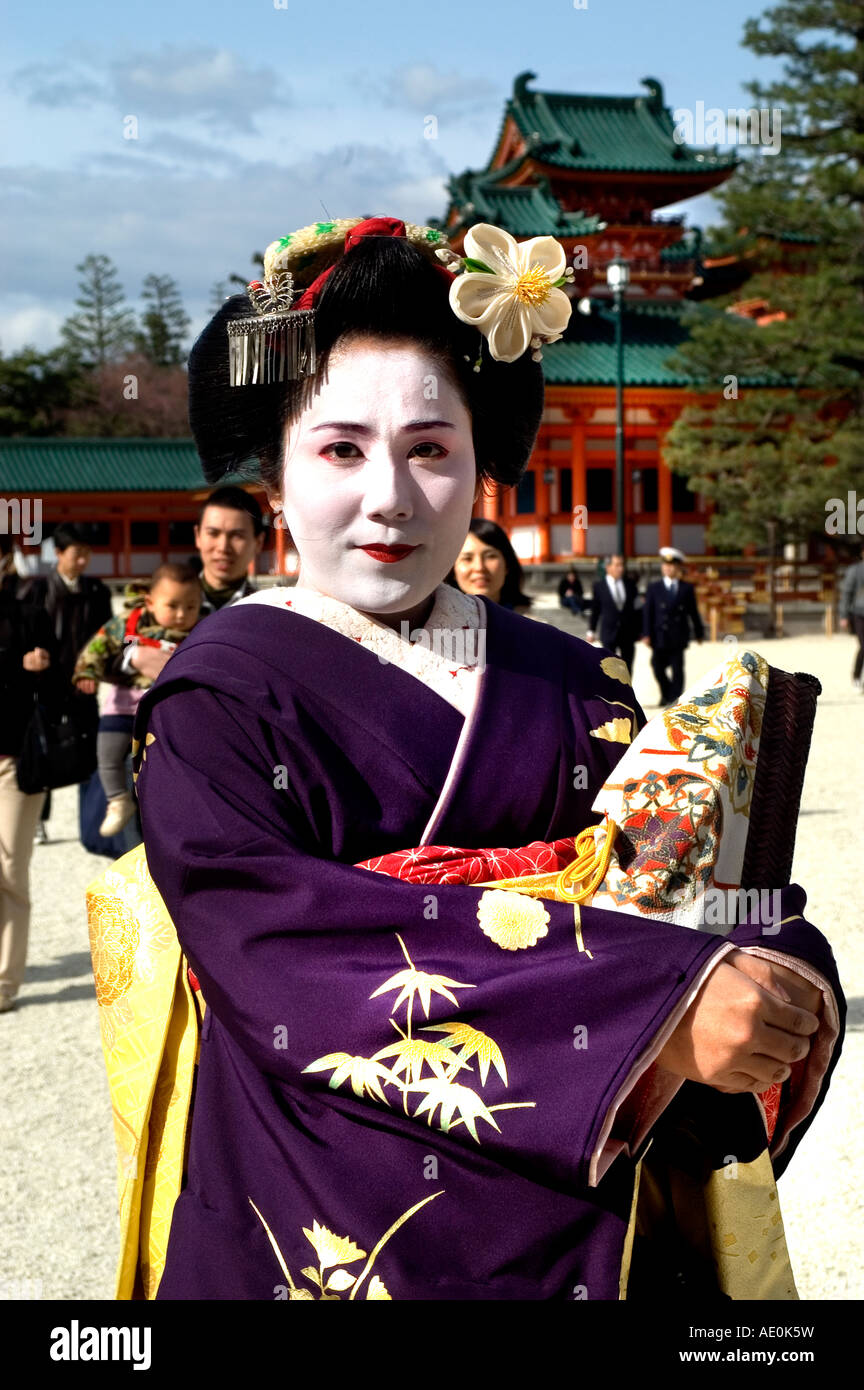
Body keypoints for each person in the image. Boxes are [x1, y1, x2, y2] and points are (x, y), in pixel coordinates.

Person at [108, 216, 838, 1301]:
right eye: (342, 448)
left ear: (483, 471)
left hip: (584, 1212)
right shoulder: (224, 695)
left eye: (432, 448)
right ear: (275, 484)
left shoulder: (576, 684)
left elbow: (677, 876)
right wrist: (659, 1013)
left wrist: (776, 962)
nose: (391, 495)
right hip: (316, 1184)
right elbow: (275, 945)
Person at [72, 563, 201, 837]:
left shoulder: (200, 630)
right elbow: (99, 645)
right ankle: (117, 800)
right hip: (122, 705)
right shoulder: (128, 622)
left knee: (163, 766)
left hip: (163, 710)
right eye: (173, 606)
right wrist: (86, 670)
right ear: (151, 602)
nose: (182, 615)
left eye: (191, 607)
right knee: (107, 751)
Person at [16, 523, 113, 839]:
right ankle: (39, 819)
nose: (83, 561)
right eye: (77, 554)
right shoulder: (34, 591)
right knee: (43, 750)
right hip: (46, 685)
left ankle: (91, 820)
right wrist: (29, 660)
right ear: (58, 553)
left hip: (84, 683)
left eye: (87, 554)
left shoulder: (97, 592)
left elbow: (107, 638)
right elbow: (20, 638)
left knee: (89, 753)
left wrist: (96, 669)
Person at [0, 537, 55, 1012]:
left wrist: (40, 671)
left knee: (11, 871)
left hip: (16, 760)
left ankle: (4, 982)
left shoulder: (31, 617)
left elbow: (60, 686)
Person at [642, 546, 705, 706]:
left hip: (678, 634)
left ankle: (675, 699)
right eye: (665, 565)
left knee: (677, 669)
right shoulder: (654, 588)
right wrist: (646, 633)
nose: (668, 568)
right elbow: (648, 612)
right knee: (657, 666)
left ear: (677, 567)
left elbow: (693, 612)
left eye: (672, 565)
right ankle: (667, 692)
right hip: (659, 635)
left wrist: (699, 632)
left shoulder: (686, 588)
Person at [450, 517, 531, 613]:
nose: (479, 567)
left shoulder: (532, 625)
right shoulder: (437, 623)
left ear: (507, 564)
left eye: (490, 556)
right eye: (467, 558)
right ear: (452, 570)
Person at [586, 554, 640, 672]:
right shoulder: (599, 586)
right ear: (608, 567)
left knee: (627, 668)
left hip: (628, 633)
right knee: (611, 668)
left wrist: (641, 631)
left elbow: (638, 610)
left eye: (622, 565)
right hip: (609, 632)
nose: (621, 568)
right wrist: (591, 630)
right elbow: (596, 610)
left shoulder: (630, 584)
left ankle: (627, 690)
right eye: (617, 565)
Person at [839, 544, 864, 690]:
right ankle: (856, 676)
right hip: (860, 613)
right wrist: (843, 615)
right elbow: (846, 594)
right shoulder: (854, 571)